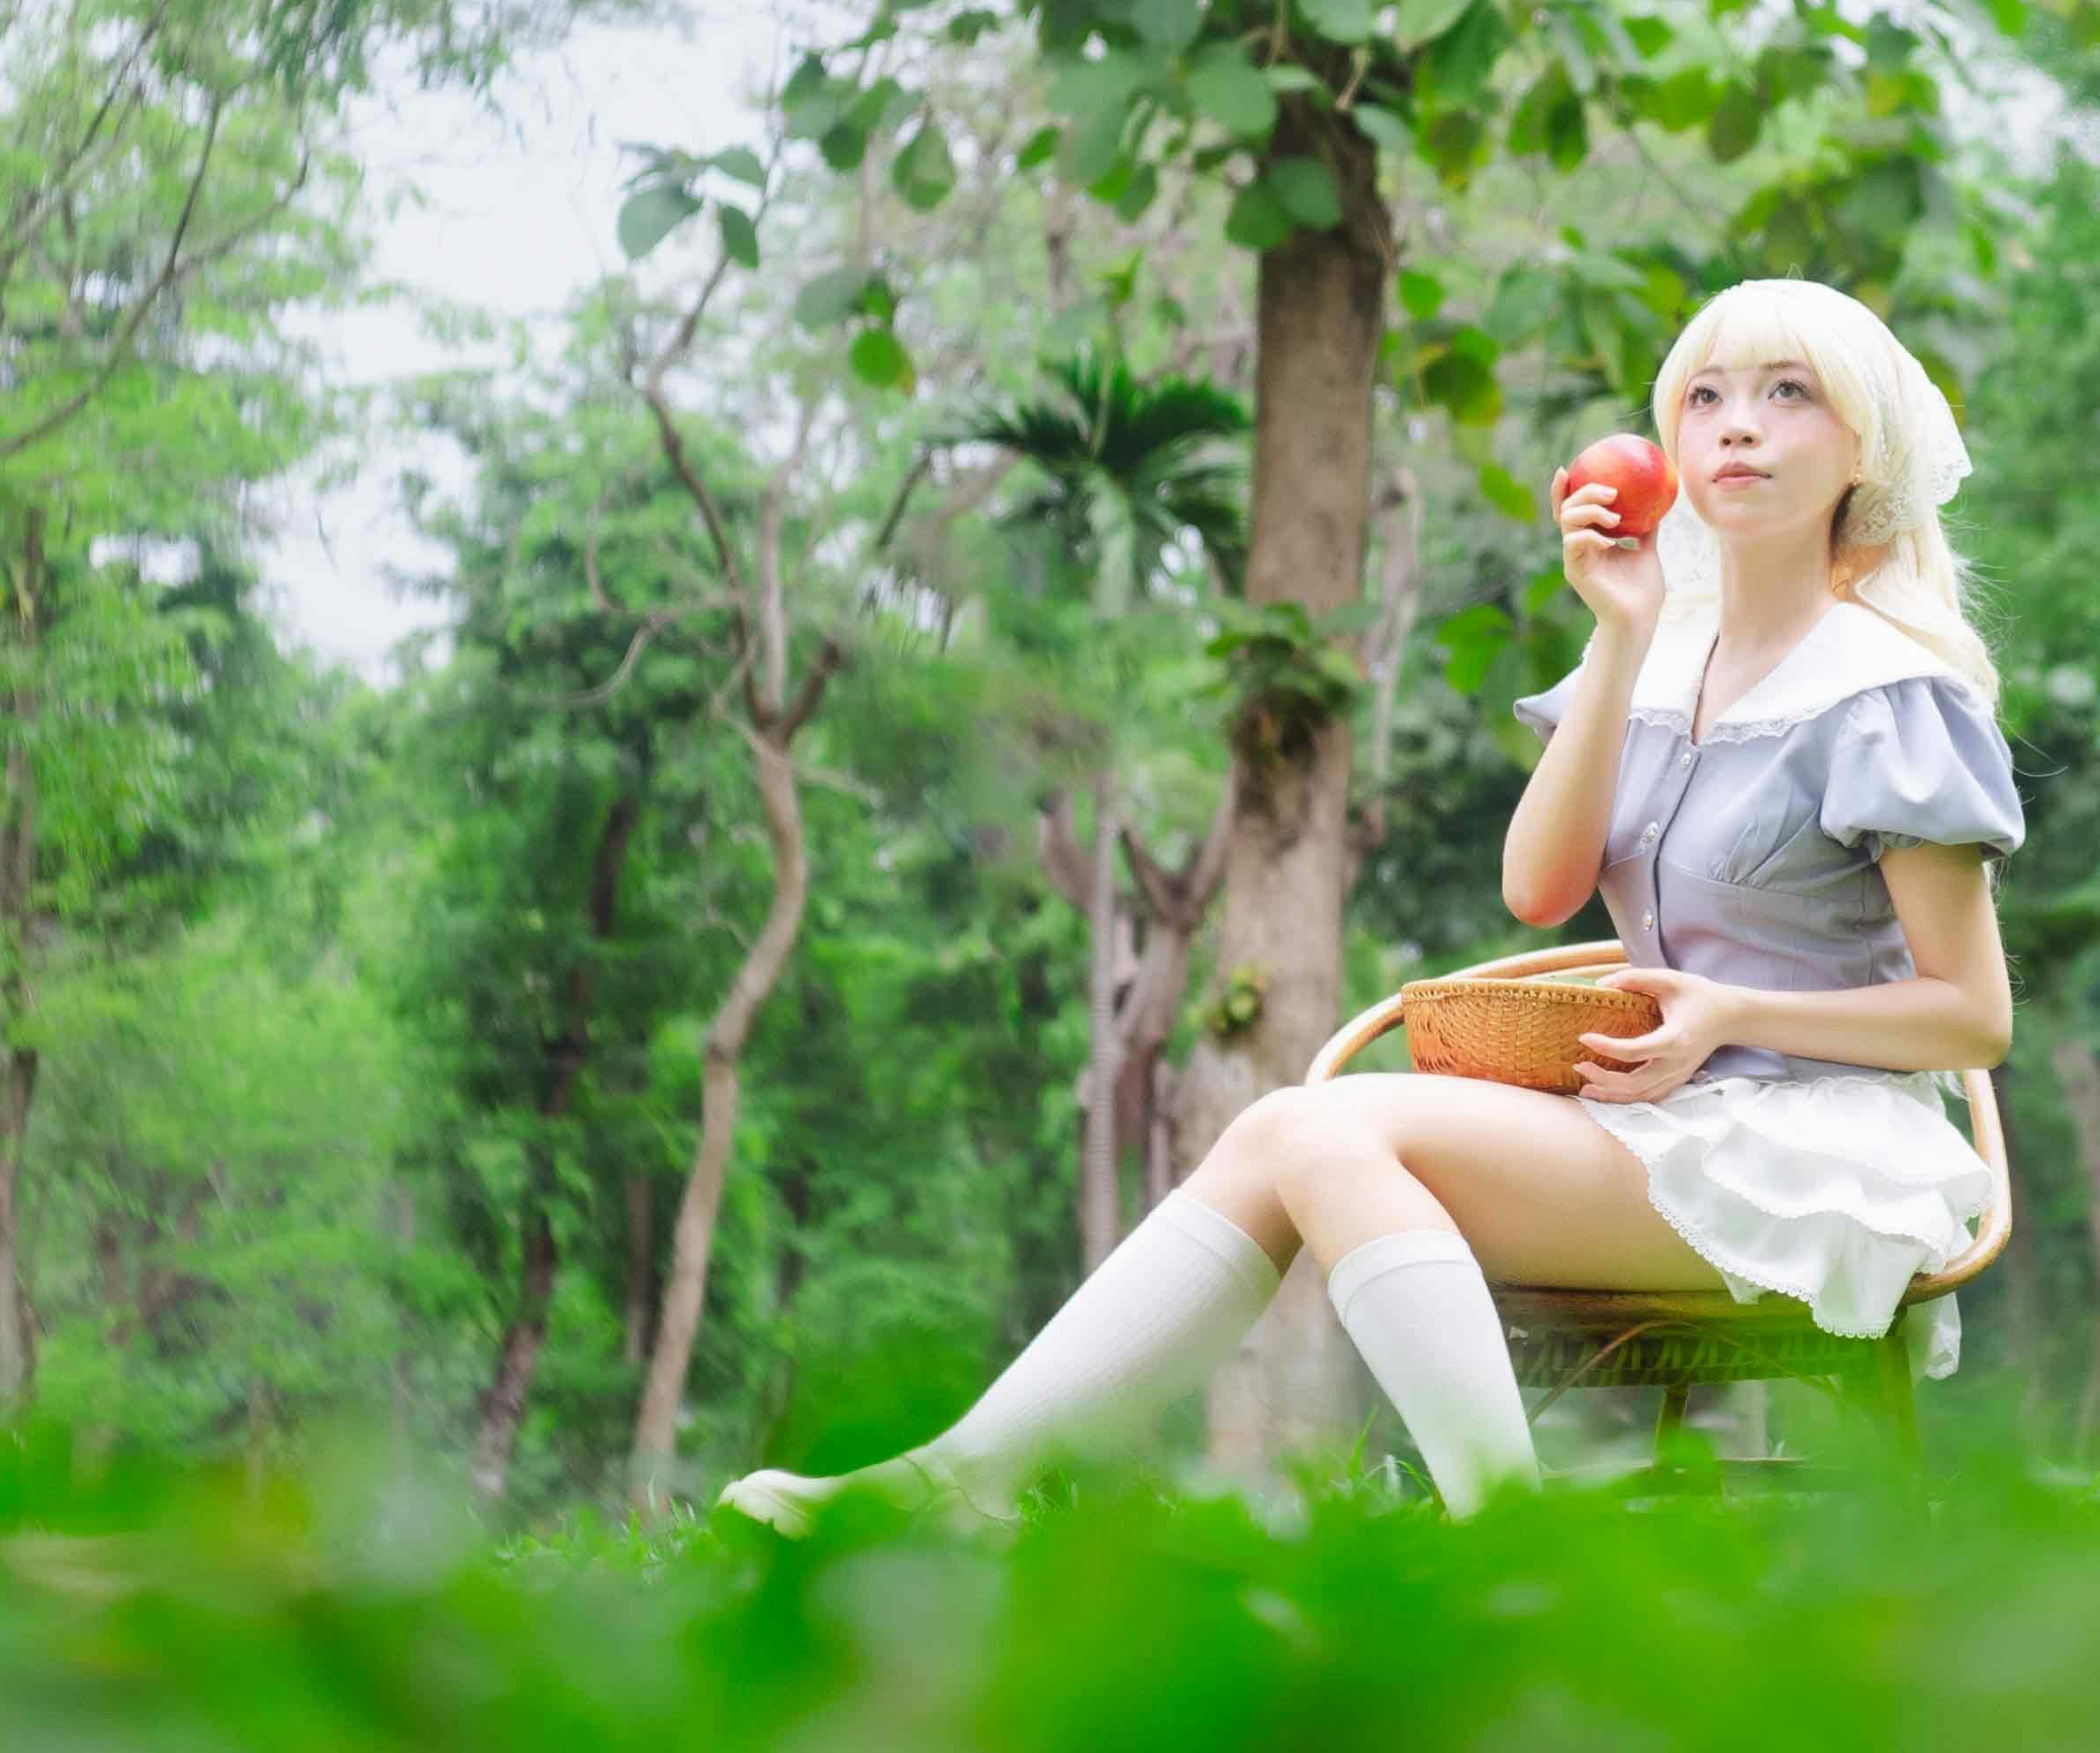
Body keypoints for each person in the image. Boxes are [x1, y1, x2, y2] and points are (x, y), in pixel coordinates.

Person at [719, 274, 2020, 1525]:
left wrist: (1729, 1012)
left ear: (1863, 448)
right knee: (1292, 1129)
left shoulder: (1885, 693)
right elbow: (1538, 890)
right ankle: (963, 1479)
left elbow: (1971, 1019)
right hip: (1655, 1128)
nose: (1738, 424)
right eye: (1705, 396)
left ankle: (1493, 1528)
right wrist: (1619, 634)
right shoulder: (1654, 651)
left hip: (1808, 1155)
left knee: (1320, 1130)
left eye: (1789, 392)